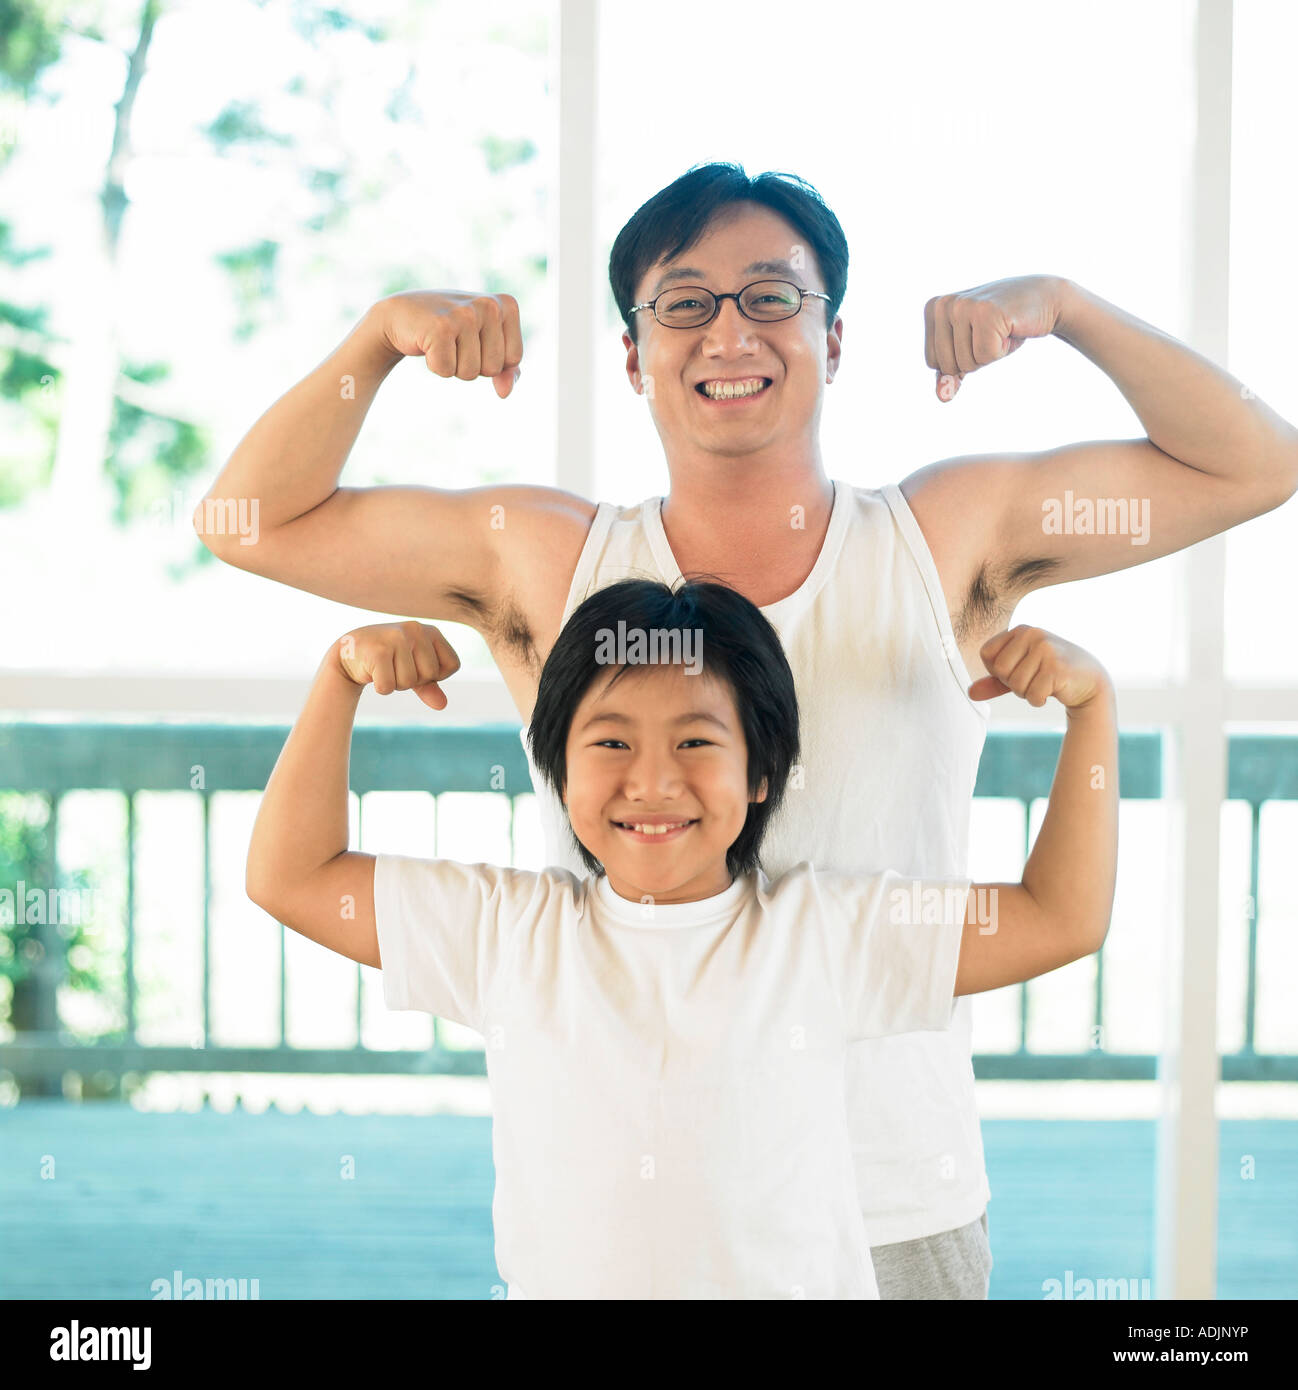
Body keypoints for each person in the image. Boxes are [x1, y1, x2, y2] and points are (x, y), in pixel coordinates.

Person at [200, 162, 1297, 1297]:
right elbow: (245, 522)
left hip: (893, 1201)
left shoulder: (943, 535)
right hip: (632, 1214)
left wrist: (1062, 309)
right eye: (685, 302)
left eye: (773, 296)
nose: (731, 332)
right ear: (633, 354)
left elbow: (1254, 462)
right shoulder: (543, 558)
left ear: (833, 340)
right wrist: (376, 341)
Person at [245, 577, 1118, 1300]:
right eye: (611, 740)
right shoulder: (507, 933)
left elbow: (1058, 916)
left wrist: (1092, 711)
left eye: (696, 740)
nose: (653, 781)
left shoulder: (825, 934)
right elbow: (293, 876)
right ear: (556, 766)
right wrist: (338, 681)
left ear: (762, 769)